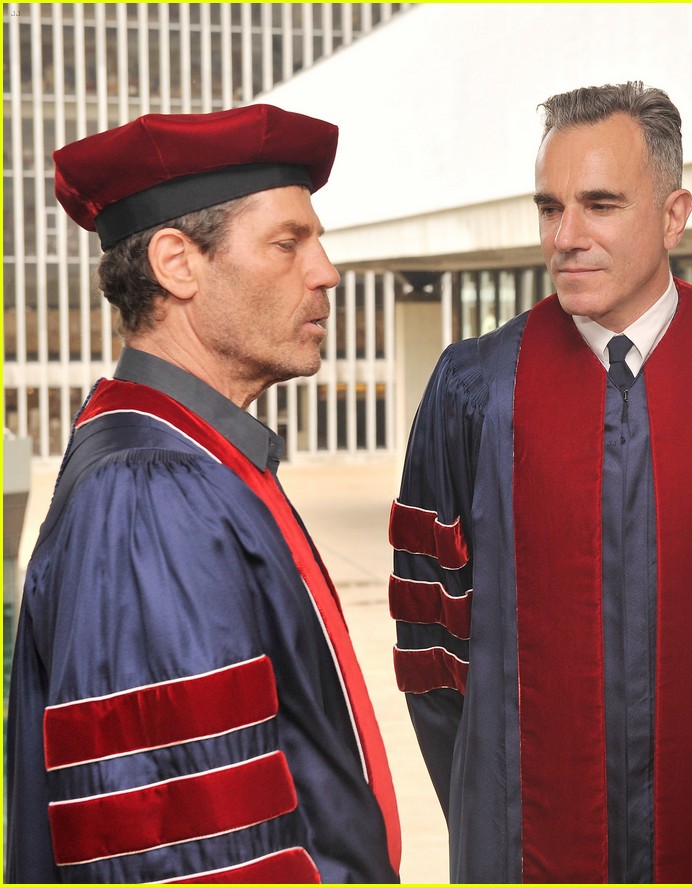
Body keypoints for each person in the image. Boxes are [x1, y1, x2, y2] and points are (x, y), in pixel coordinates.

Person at [389, 81, 692, 883]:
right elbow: (433, 650)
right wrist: (493, 805)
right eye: (550, 207)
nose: (566, 236)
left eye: (601, 205)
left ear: (674, 214)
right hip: (524, 843)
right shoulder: (474, 387)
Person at [5, 104, 401, 883]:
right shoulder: (149, 496)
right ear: (177, 263)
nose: (326, 271)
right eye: (289, 243)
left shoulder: (194, 455)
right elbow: (186, 846)